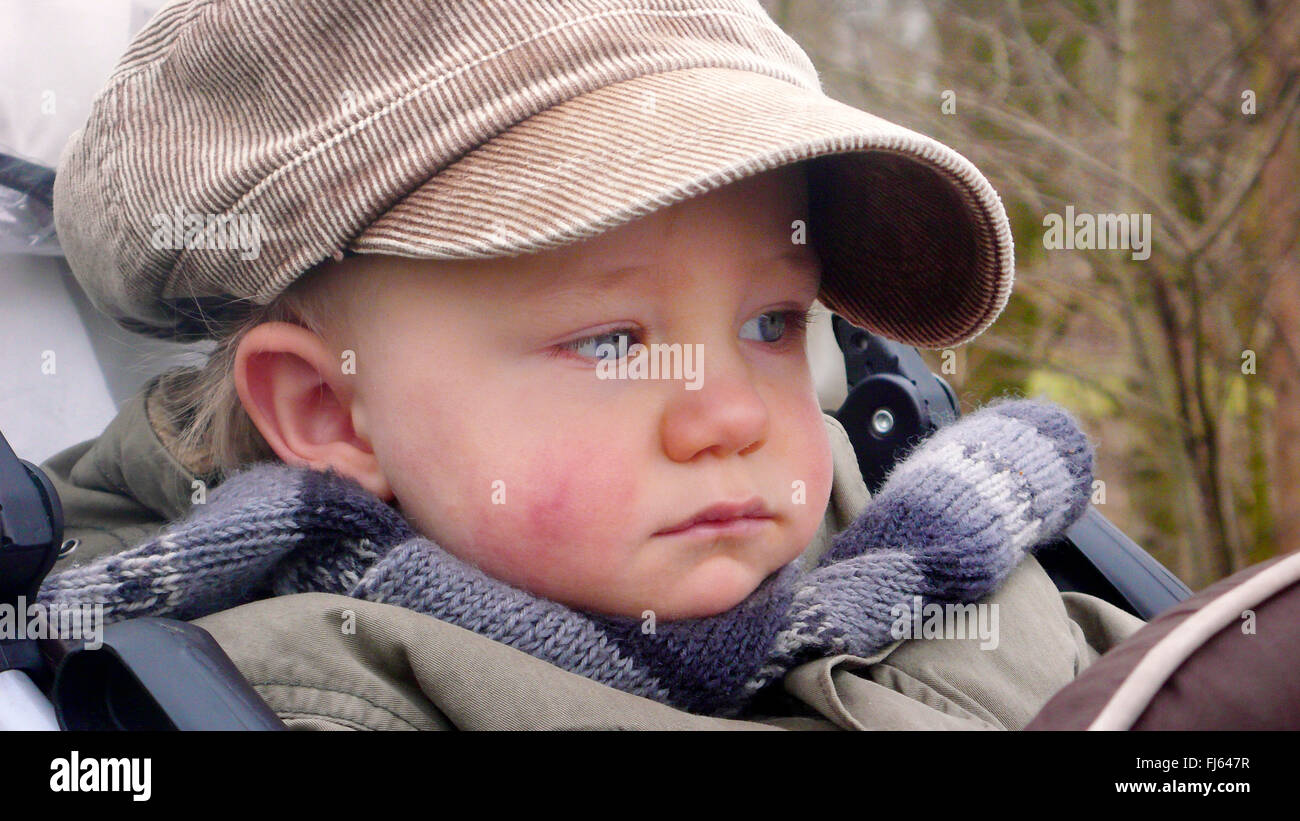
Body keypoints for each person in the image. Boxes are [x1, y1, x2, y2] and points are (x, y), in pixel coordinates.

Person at [41, 0, 1143, 729]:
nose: (730, 417)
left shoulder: (926, 528)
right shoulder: (303, 694)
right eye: (612, 341)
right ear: (332, 409)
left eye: (771, 325)